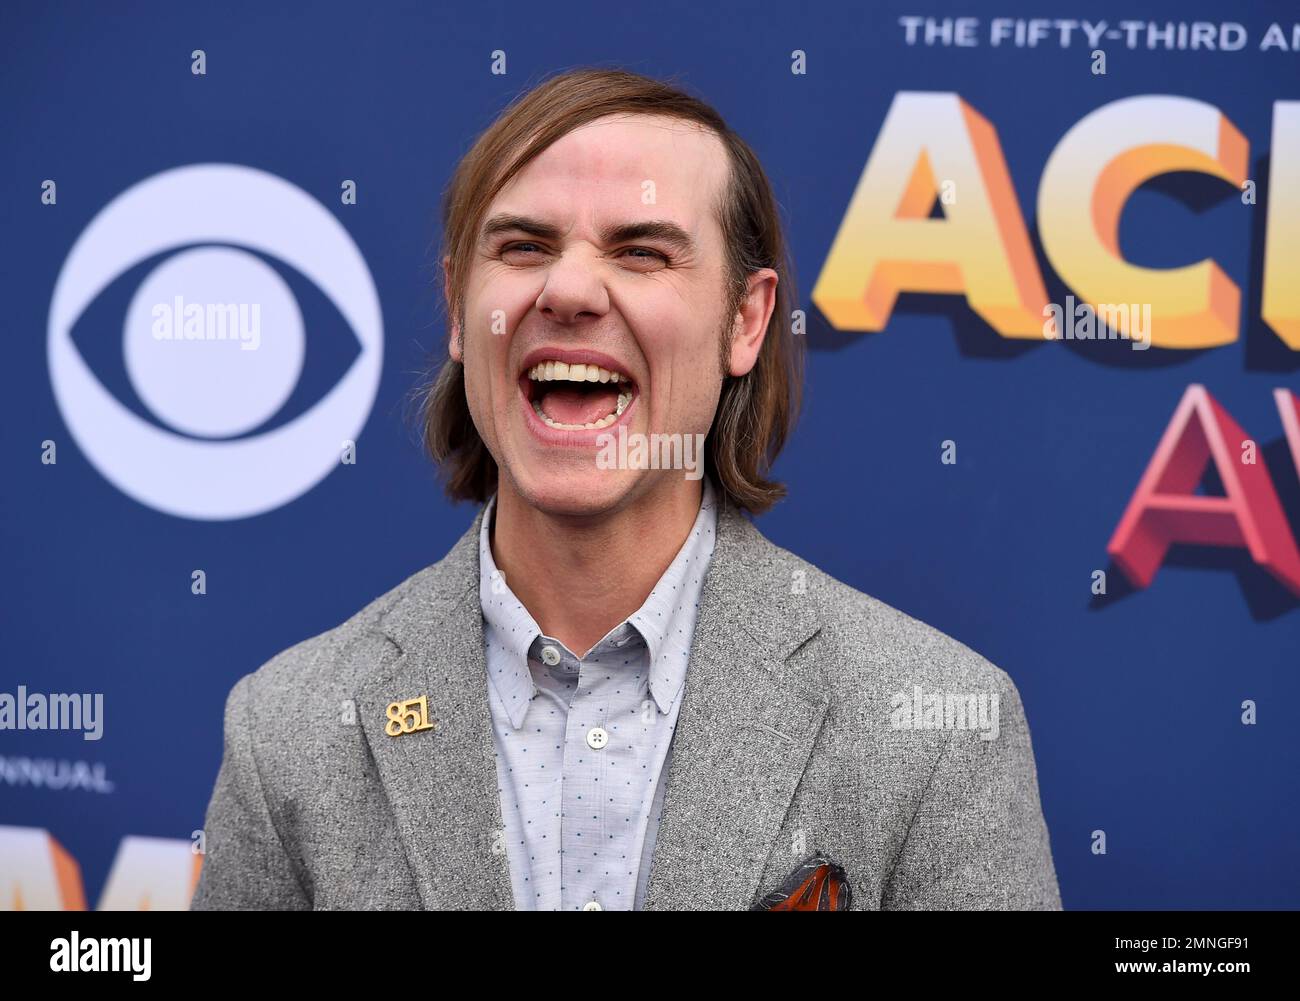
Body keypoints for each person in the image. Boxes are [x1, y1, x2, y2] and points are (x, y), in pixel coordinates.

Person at [191, 67, 1061, 911]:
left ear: (746, 320)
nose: (568, 289)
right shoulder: (290, 730)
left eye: (642, 252)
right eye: (524, 246)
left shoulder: (940, 729)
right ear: (459, 305)